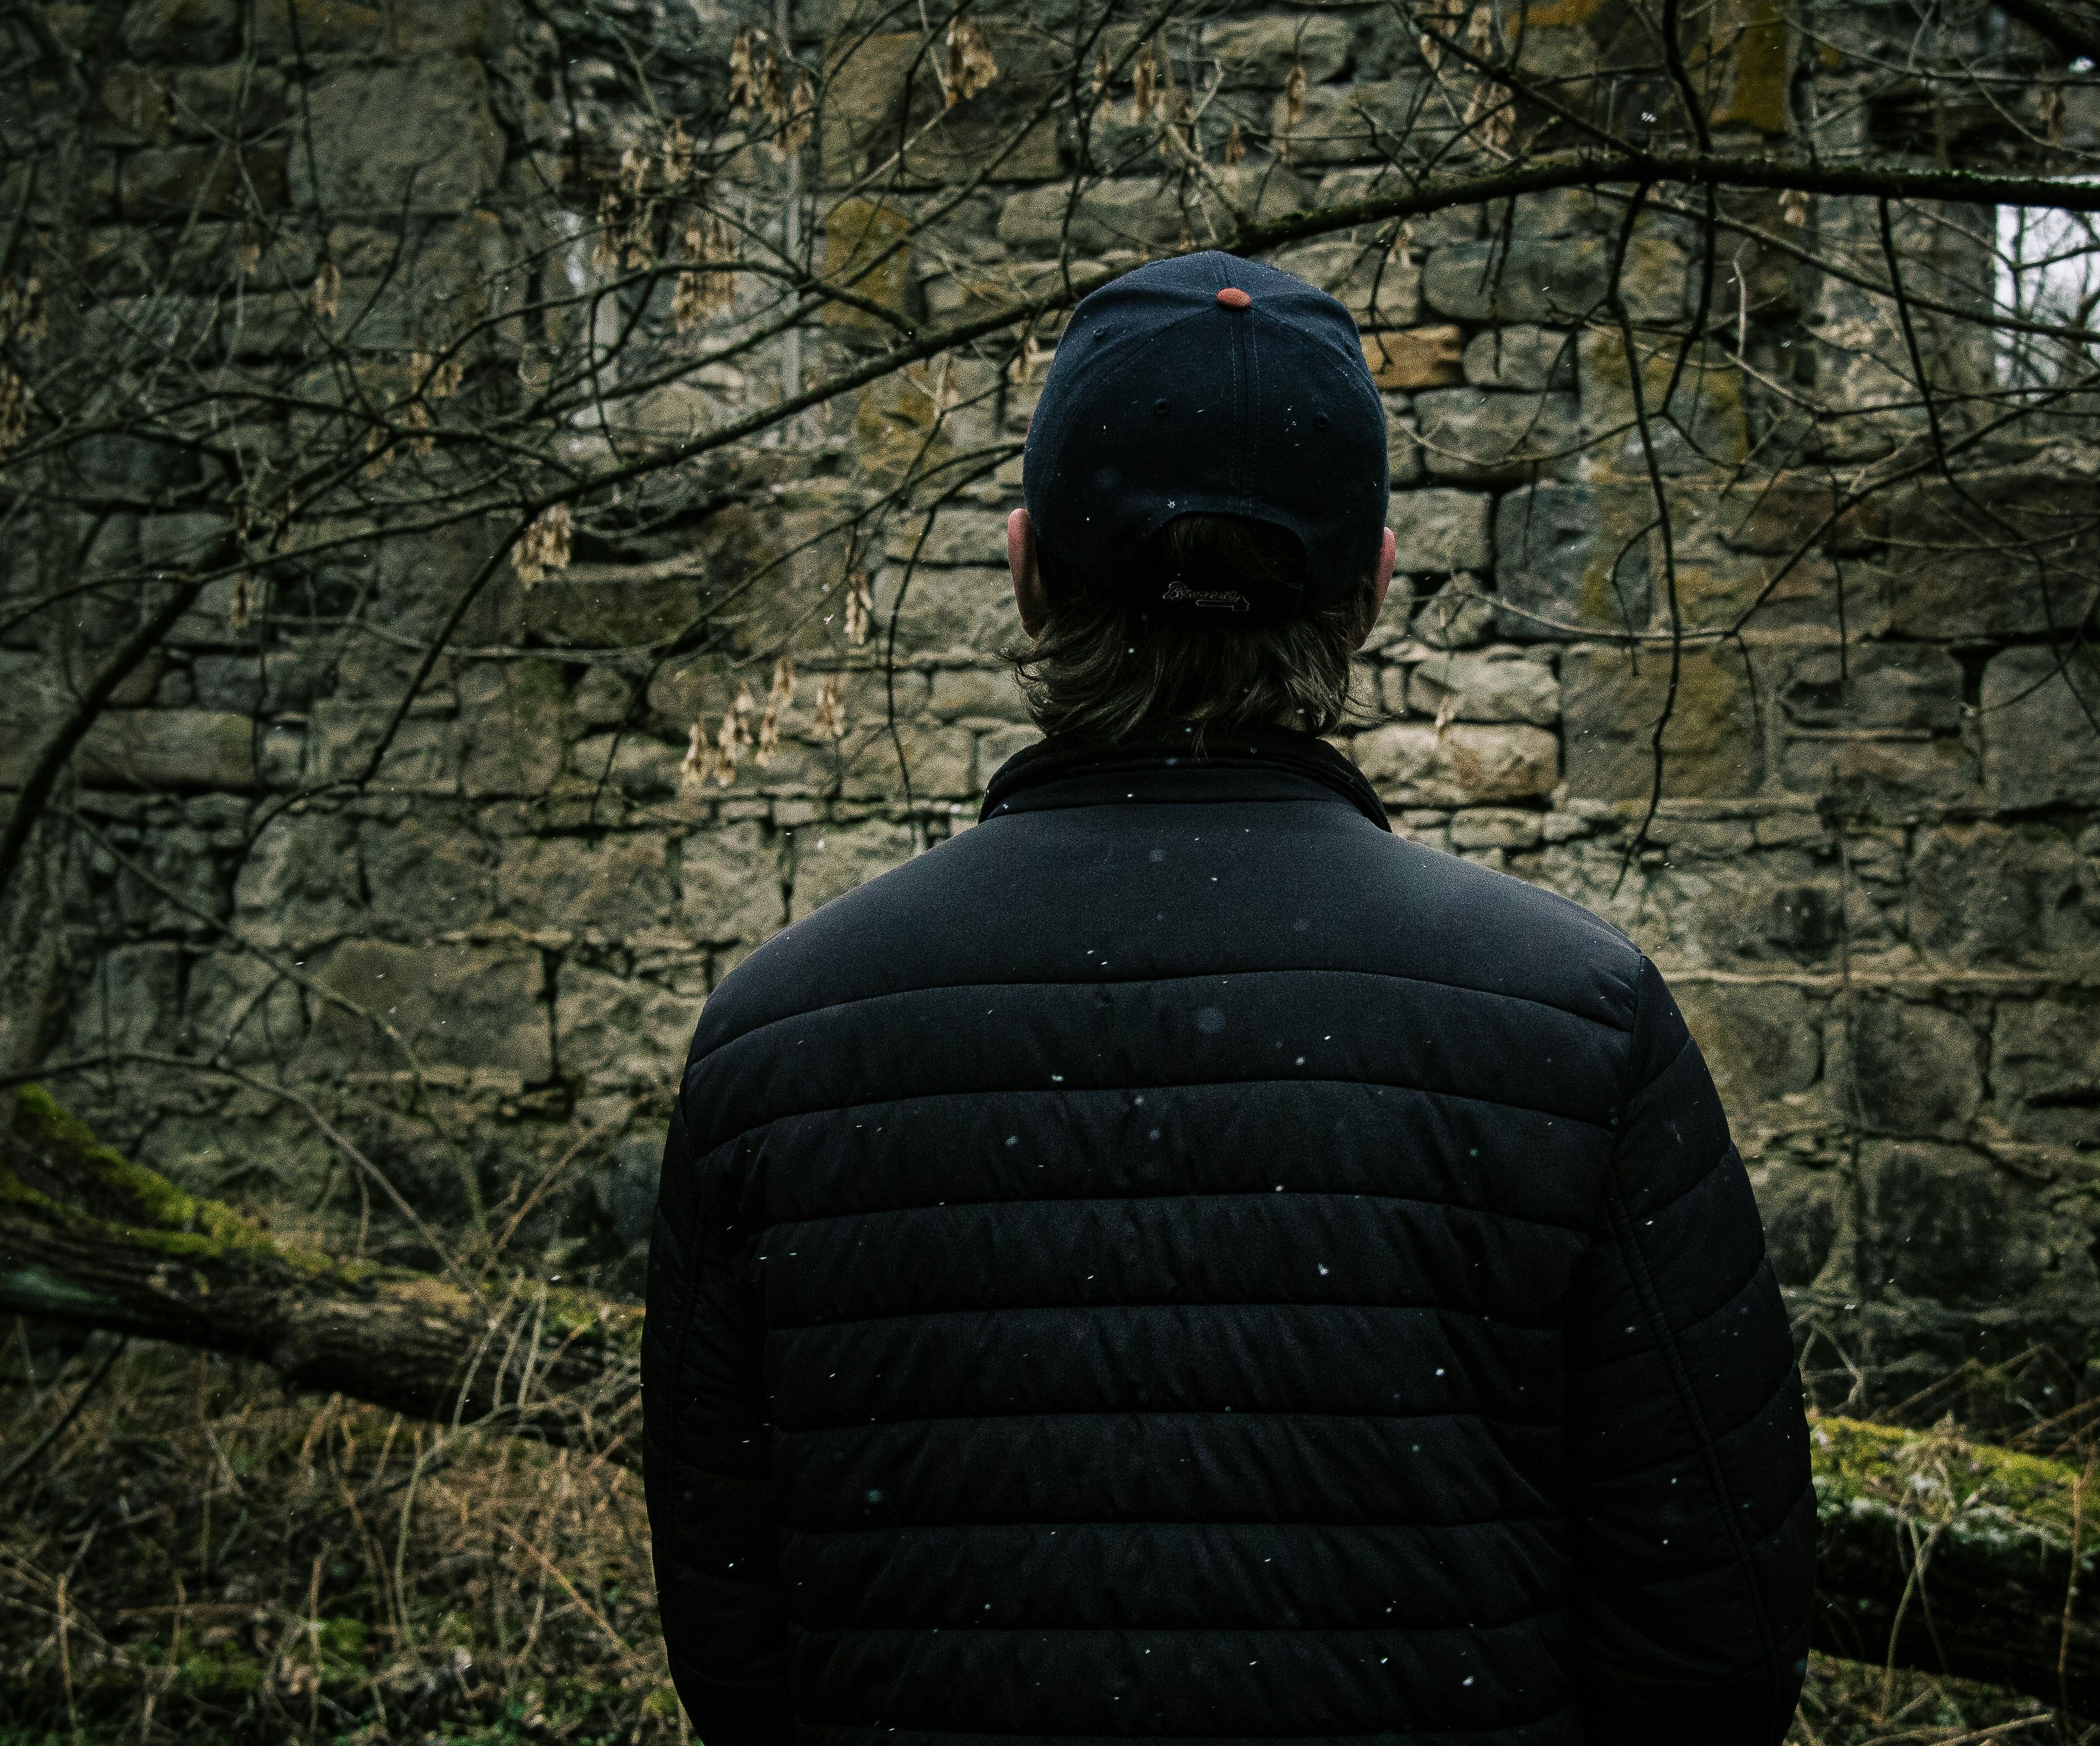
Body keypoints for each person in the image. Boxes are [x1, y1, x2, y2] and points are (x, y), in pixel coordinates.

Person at [641, 250, 1814, 1744]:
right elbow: (1714, 1648)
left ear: (1025, 571)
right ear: (1375, 591)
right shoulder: (1578, 1024)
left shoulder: (778, 1042)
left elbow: (735, 1648)